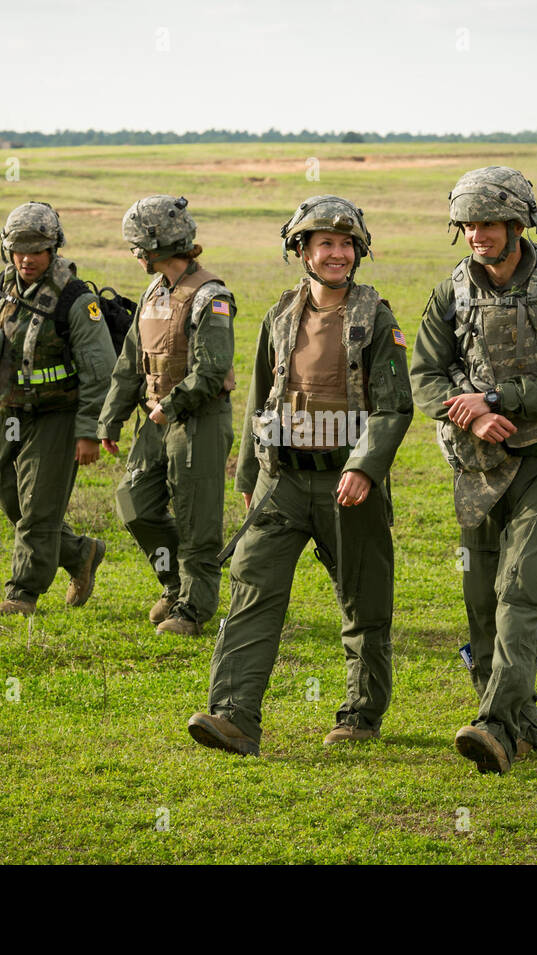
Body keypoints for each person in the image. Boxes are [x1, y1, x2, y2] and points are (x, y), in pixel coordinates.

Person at [187, 195, 413, 757]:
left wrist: (365, 467)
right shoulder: (280, 315)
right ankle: (233, 718)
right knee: (252, 591)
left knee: (364, 604)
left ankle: (360, 714)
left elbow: (394, 407)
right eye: (325, 244)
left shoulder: (377, 318)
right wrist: (246, 475)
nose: (337, 254)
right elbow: (258, 400)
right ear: (302, 251)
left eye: (346, 244)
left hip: (348, 485)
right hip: (280, 482)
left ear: (359, 251)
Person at [409, 167, 537, 773]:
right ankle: (522, 723)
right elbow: (424, 377)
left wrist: (497, 402)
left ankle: (492, 722)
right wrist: (468, 419)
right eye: (466, 224)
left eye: (488, 222)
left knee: (520, 591)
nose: (476, 235)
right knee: (478, 601)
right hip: (477, 464)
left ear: (518, 223)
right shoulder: (451, 292)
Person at [0, 201, 116, 615]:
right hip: (13, 412)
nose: (27, 257)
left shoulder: (76, 298)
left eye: (37, 249)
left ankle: (23, 592)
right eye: (19, 248)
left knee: (39, 504)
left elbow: (100, 368)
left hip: (60, 413)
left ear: (54, 248)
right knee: (5, 491)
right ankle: (78, 553)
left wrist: (89, 430)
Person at [96, 195, 236, 636]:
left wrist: (169, 408)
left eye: (136, 245)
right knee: (134, 504)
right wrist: (110, 419)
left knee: (198, 520)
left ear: (153, 247)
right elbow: (130, 362)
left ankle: (193, 611)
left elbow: (212, 372)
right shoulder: (154, 292)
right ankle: (175, 584)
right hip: (157, 419)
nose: (134, 254)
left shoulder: (211, 297)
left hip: (199, 420)